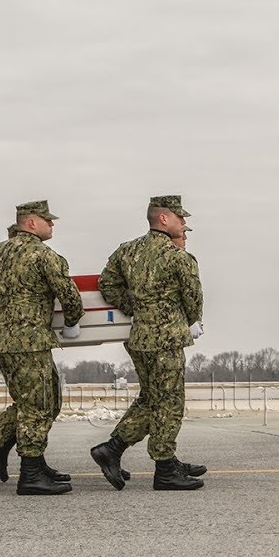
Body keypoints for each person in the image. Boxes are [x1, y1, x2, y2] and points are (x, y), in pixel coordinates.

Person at [0, 200, 82, 496]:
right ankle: (30, 473)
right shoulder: (45, 255)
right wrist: (73, 321)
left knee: (44, 403)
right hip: (32, 342)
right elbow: (68, 293)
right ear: (31, 223)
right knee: (37, 407)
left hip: (5, 341)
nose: (52, 225)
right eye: (47, 220)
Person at [92, 195, 207, 490]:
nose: (184, 222)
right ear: (164, 218)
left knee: (152, 399)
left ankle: (113, 450)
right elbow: (193, 301)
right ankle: (165, 469)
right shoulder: (178, 257)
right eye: (180, 217)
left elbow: (107, 283)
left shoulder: (128, 251)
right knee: (169, 403)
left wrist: (133, 305)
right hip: (167, 339)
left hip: (140, 337)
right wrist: (185, 320)